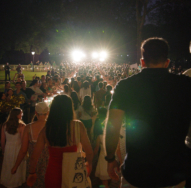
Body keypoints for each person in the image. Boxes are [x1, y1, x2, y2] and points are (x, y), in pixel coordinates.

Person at [105, 37, 191, 187]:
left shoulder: (125, 86)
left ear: (142, 62)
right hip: (174, 172)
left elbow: (113, 127)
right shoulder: (186, 85)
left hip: (136, 172)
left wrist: (110, 158)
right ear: (167, 62)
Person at [26, 95, 93, 187]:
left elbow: (34, 156)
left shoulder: (47, 129)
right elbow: (89, 151)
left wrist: (32, 172)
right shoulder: (78, 126)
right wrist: (89, 164)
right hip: (73, 173)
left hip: (53, 173)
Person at [11, 102, 49, 188]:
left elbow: (23, 150)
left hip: (33, 164)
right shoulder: (53, 127)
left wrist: (15, 166)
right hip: (49, 163)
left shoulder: (29, 127)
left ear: (36, 113)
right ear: (48, 113)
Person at [0, 108, 26, 188]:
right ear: (17, 115)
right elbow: (22, 141)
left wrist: (3, 150)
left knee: (8, 164)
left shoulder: (5, 125)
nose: (22, 115)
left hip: (8, 147)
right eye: (21, 113)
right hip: (18, 148)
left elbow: (2, 140)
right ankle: (17, 182)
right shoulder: (22, 126)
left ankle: (7, 181)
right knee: (17, 164)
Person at [94, 108, 110, 188]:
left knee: (104, 182)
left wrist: (91, 156)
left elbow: (96, 149)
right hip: (111, 159)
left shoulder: (99, 137)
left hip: (102, 159)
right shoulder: (112, 137)